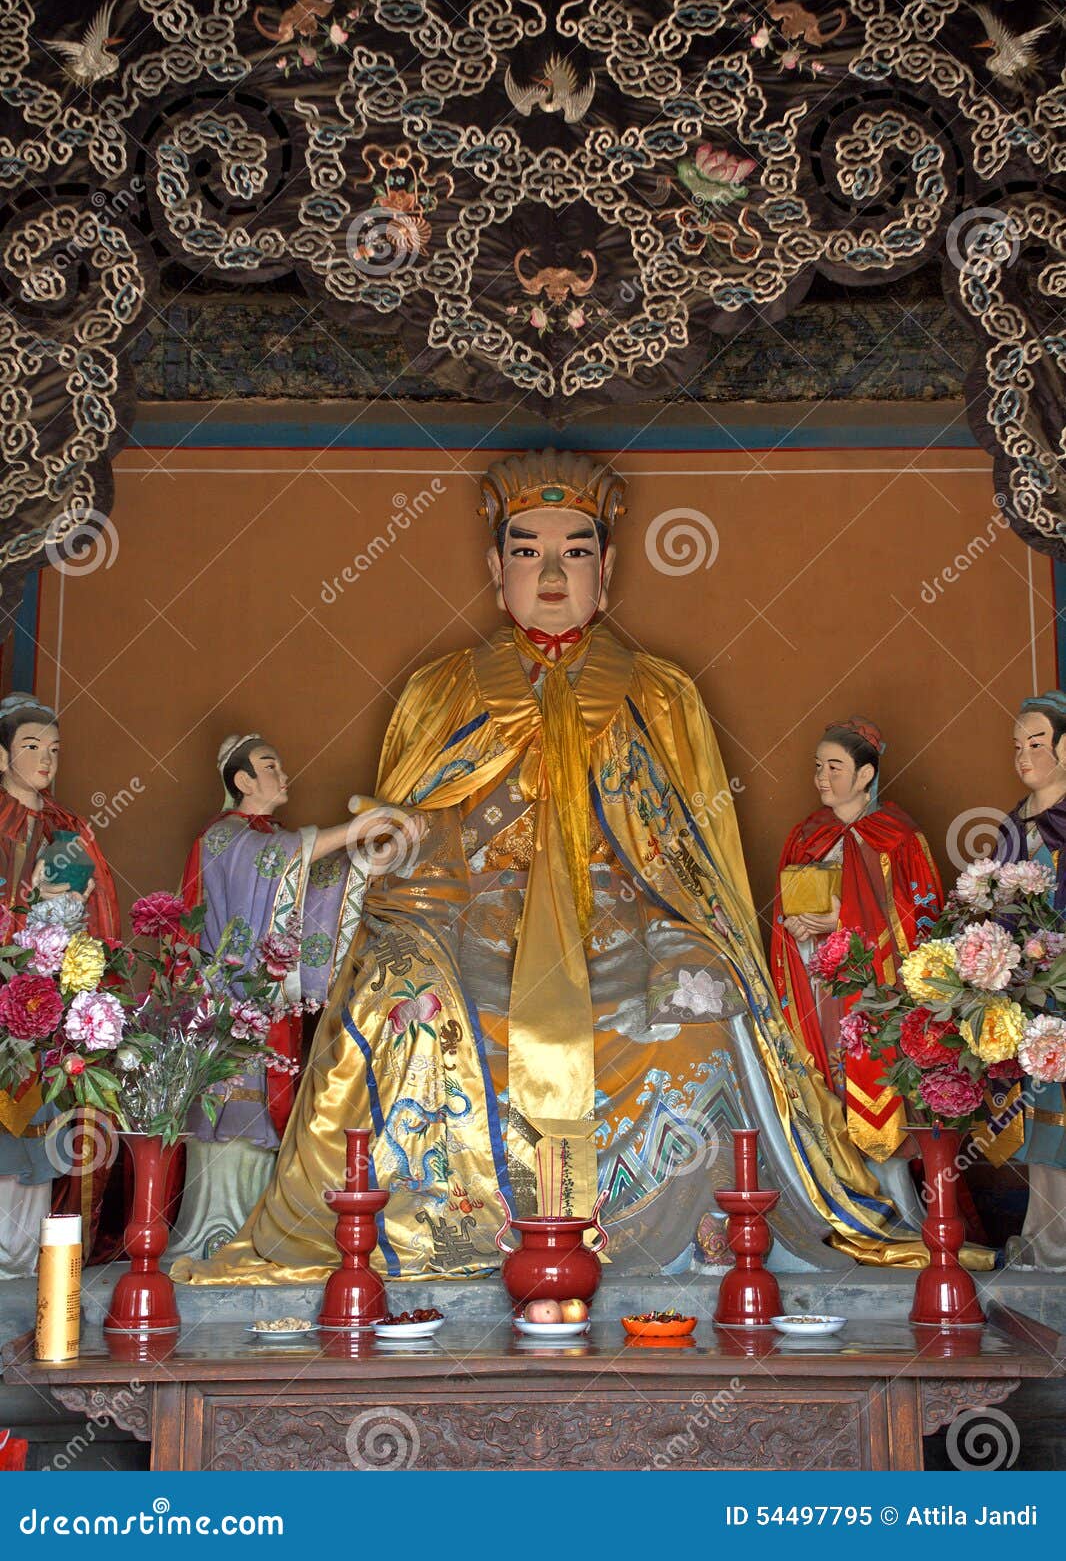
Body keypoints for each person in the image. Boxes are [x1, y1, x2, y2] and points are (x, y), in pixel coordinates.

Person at [174, 452, 954, 1288]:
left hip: (632, 921)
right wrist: (397, 871)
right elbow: (410, 845)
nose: (550, 572)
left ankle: (698, 1240)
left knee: (706, 1004)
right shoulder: (441, 691)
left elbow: (691, 859)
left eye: (576, 552)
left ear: (608, 571)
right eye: (526, 551)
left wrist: (679, 933)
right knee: (399, 991)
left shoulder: (659, 693)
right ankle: (433, 1228)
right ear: (493, 569)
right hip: (467, 923)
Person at [167, 734, 414, 1260]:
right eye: (269, 766)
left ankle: (252, 1227)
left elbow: (312, 875)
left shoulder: (267, 841)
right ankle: (214, 1234)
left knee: (262, 1127)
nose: (284, 775)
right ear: (242, 781)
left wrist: (367, 858)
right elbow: (279, 859)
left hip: (262, 1009)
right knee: (227, 1120)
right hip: (221, 1006)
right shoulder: (222, 837)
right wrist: (356, 829)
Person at [770, 719, 944, 1225]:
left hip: (876, 990)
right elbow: (786, 909)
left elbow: (921, 918)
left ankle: (898, 1205)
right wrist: (799, 928)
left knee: (879, 1077)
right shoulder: (807, 835)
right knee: (826, 1082)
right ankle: (840, 1201)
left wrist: (841, 921)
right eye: (818, 766)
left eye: (835, 766)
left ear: (866, 773)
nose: (822, 776)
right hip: (818, 985)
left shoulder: (899, 836)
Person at [0, 693, 119, 1275]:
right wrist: (25, 911)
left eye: (54, 750)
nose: (45, 760)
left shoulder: (69, 827)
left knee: (40, 1136)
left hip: (48, 1003)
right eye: (30, 747)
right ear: (2, 756)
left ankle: (27, 1273)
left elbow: (98, 919)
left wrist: (76, 913)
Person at [996, 691, 1066, 1269]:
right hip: (1035, 996)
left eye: (1036, 743)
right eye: (1017, 745)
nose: (1023, 756)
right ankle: (1046, 1234)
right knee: (1043, 1116)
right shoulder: (1013, 826)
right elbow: (994, 908)